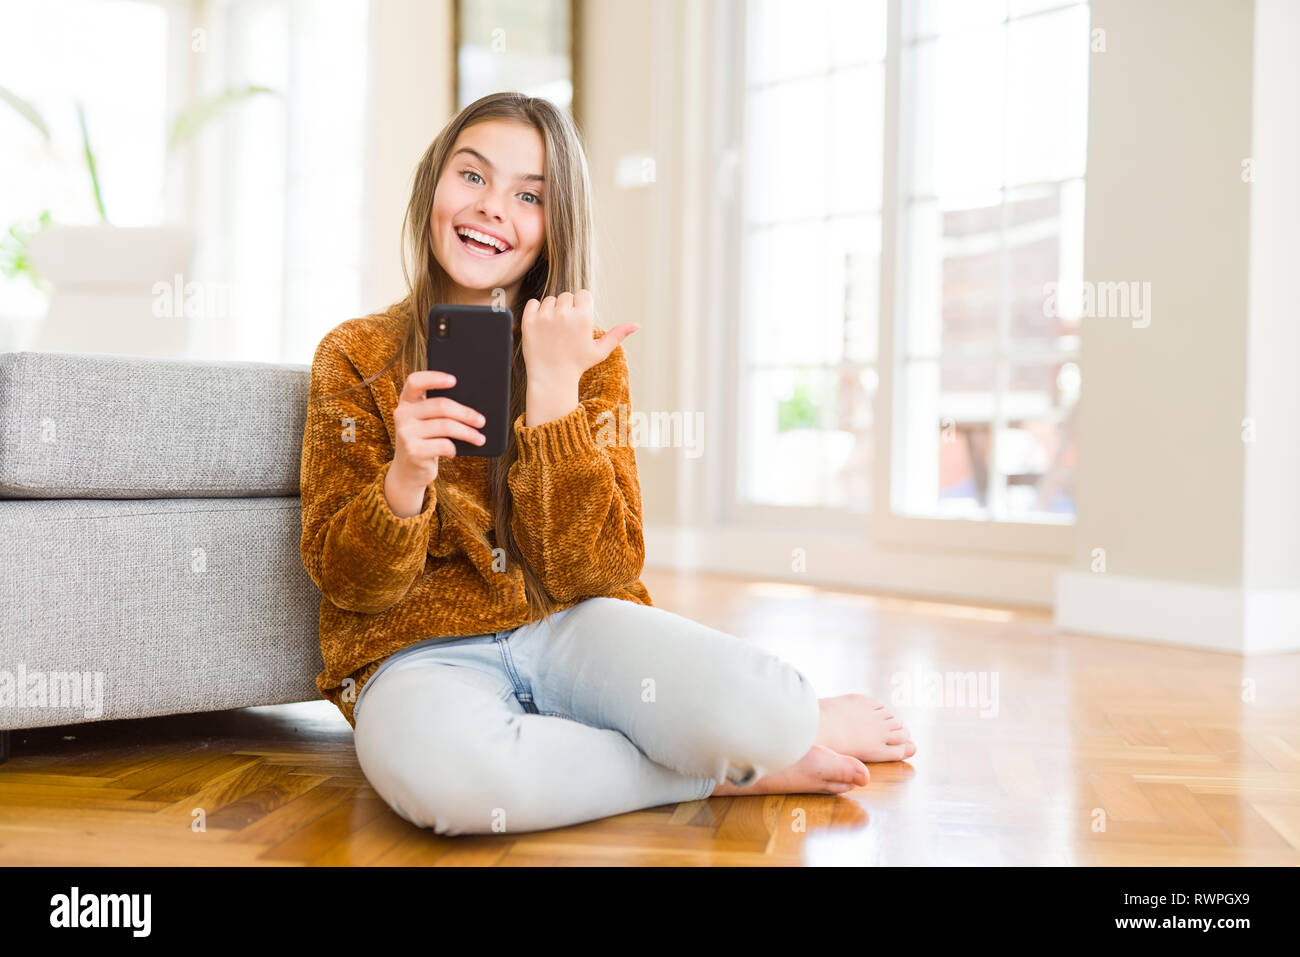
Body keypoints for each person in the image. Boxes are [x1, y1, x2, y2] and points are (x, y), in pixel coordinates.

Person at [299, 91, 915, 836]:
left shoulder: (588, 359)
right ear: (433, 186)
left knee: (777, 712)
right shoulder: (352, 356)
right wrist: (404, 479)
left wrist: (554, 393)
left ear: (556, 228)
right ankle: (714, 772)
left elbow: (598, 570)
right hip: (414, 658)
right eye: (472, 176)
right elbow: (349, 586)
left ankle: (760, 741)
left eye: (530, 195)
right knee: (463, 787)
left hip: (571, 628)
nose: (493, 206)